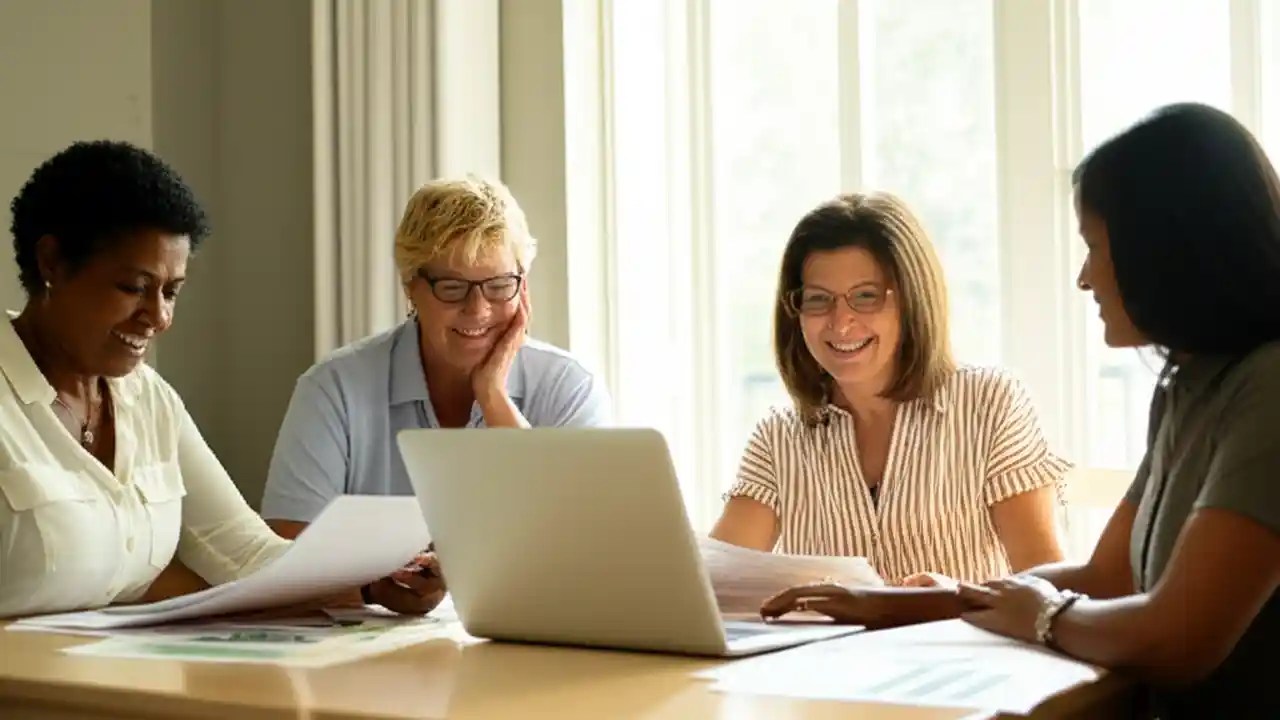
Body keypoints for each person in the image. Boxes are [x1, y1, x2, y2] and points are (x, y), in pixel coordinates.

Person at [762, 104, 1280, 718]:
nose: (1084, 278)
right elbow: (1109, 576)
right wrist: (925, 602)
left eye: (1094, 246)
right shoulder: (1188, 388)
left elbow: (1178, 641)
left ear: (1167, 249)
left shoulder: (1268, 386)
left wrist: (1041, 616)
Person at [0, 141, 437, 618]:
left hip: (117, 684)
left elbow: (242, 551)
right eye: (134, 288)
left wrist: (376, 581)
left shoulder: (150, 401)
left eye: (172, 292)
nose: (160, 317)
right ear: (53, 263)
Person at [710, 191, 1068, 586]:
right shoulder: (778, 438)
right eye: (818, 300)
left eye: (866, 297)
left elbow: (1045, 586)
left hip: (962, 645)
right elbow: (718, 582)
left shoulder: (991, 403)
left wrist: (955, 599)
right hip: (830, 651)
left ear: (912, 300)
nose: (841, 322)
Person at [260, 177, 610, 549]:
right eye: (452, 287)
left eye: (498, 285)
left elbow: (580, 548)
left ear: (523, 286)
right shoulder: (334, 390)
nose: (478, 310)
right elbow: (286, 552)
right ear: (411, 286)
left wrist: (494, 399)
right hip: (369, 609)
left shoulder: (570, 388)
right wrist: (383, 587)